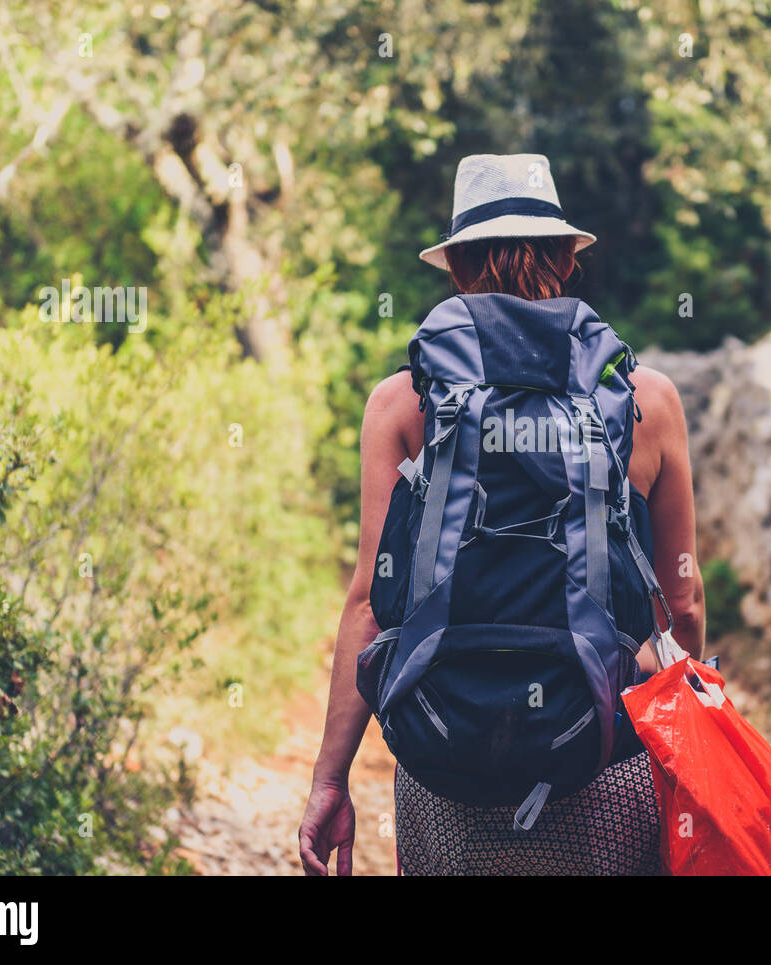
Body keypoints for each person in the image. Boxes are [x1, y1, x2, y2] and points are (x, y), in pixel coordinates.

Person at [298, 153, 704, 876]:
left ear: (455, 269)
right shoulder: (649, 400)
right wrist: (687, 741)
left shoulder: (400, 404)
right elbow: (684, 601)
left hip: (445, 757)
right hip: (603, 748)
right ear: (565, 259)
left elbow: (370, 601)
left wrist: (331, 779)